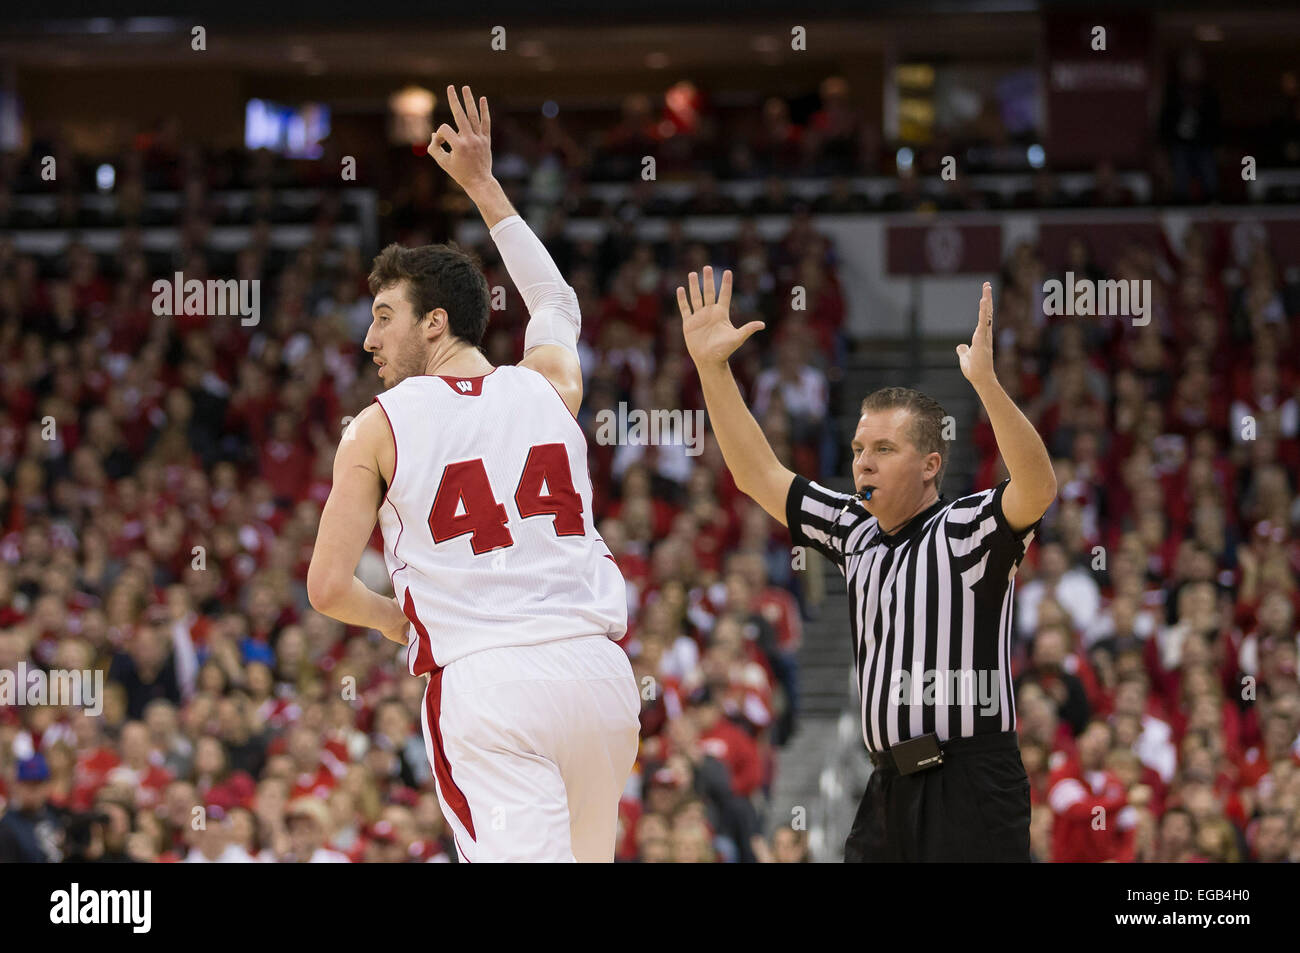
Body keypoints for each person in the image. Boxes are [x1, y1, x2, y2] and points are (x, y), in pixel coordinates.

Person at [307, 85, 639, 863]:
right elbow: (554, 297)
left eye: (384, 314)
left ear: (435, 321)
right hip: (599, 676)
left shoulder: (377, 428)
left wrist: (396, 621)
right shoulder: (548, 385)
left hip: (491, 686)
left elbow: (326, 587)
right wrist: (486, 188)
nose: (368, 339)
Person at [677, 269, 1056, 861]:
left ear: (931, 464)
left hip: (971, 781)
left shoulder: (966, 529)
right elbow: (757, 475)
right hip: (888, 783)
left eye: (884, 450)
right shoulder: (854, 528)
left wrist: (985, 384)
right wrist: (712, 369)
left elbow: (1037, 486)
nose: (864, 465)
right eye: (858, 450)